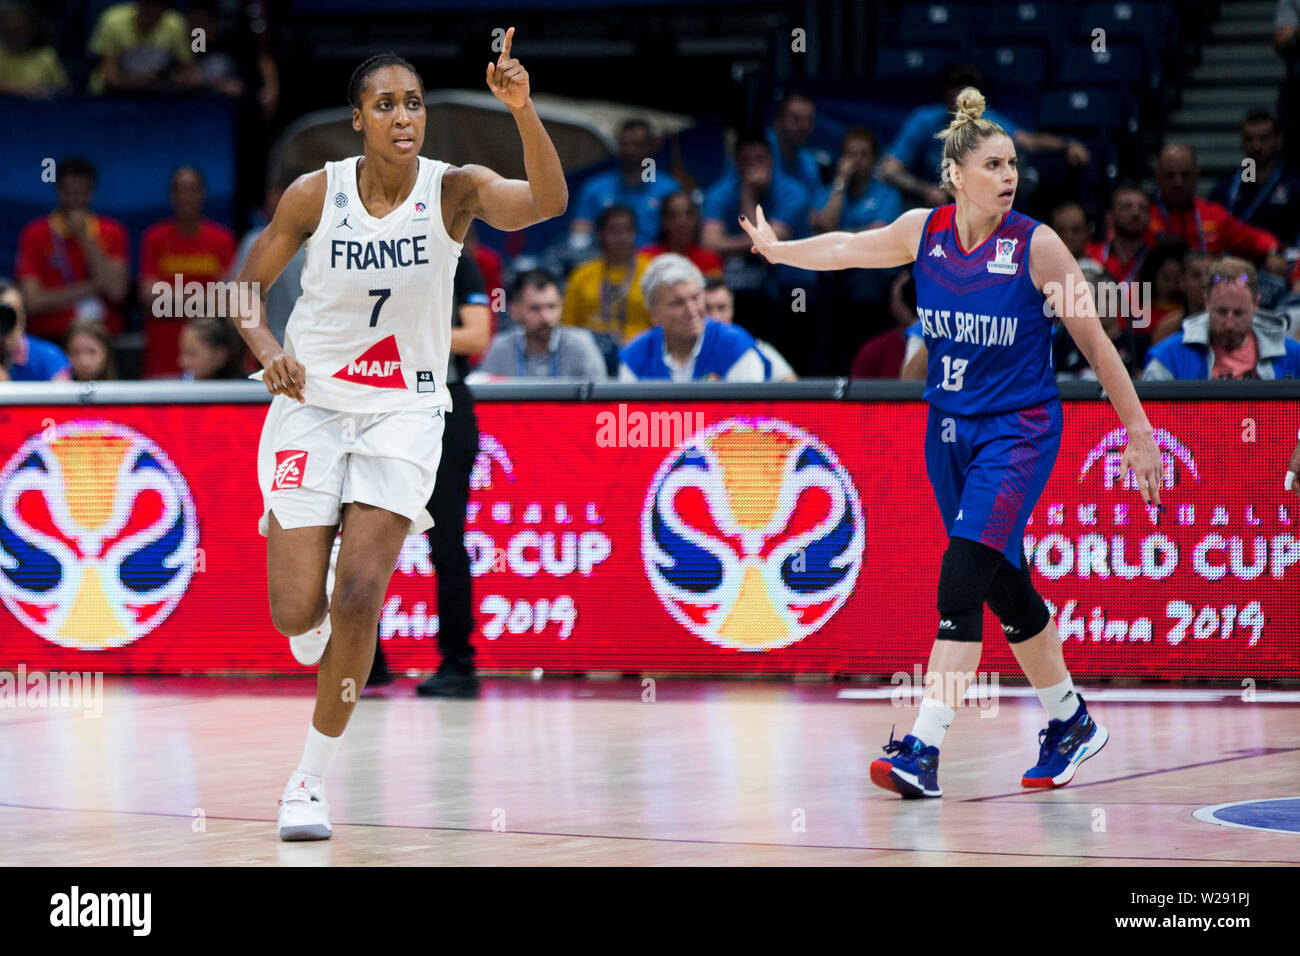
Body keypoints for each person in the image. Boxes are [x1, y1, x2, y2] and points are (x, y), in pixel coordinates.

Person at [739, 87, 1163, 798]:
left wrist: (1139, 433)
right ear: (955, 174)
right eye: (994, 164)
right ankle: (1071, 721)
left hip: (1018, 432)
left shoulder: (1037, 246)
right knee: (1000, 581)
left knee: (960, 581)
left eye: (1013, 165)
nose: (1009, 176)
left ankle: (922, 747)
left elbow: (1097, 344)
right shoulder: (922, 230)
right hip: (947, 431)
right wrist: (781, 251)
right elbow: (846, 248)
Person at [229, 34, 567, 841]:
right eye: (385, 105)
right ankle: (310, 599)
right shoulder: (315, 194)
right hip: (312, 405)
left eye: (413, 103)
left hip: (405, 414)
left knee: (359, 597)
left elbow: (547, 202)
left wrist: (522, 110)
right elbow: (243, 292)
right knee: (294, 615)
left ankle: (308, 782)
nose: (403, 116)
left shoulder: (454, 190)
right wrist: (269, 352)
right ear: (358, 120)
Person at [369, 252, 493, 696]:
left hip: (444, 406)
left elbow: (476, 335)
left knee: (446, 541)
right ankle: (367, 662)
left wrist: (408, 334)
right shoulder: (377, 257)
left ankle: (458, 664)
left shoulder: (459, 263)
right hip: (383, 405)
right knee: (369, 538)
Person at [879, 62, 1089, 209]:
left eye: (966, 89)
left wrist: (1067, 145)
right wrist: (925, 190)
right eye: (954, 88)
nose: (959, 96)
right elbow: (889, 170)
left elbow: (1028, 141)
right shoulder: (924, 120)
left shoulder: (988, 120)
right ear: (944, 92)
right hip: (934, 203)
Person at [15, 156, 129, 342]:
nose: (75, 199)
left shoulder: (112, 231)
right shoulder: (35, 233)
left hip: (101, 338)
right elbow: (32, 301)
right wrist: (93, 286)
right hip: (51, 336)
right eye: (69, 192)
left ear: (92, 192)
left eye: (82, 192)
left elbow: (117, 292)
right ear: (58, 190)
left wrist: (84, 237)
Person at [140, 167, 238, 378]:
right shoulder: (154, 238)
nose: (186, 197)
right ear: (171, 195)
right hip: (162, 360)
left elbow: (228, 301)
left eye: (192, 190)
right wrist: (207, 300)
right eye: (180, 190)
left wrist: (169, 299)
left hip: (209, 364)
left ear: (203, 193)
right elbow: (149, 298)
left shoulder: (223, 239)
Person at [1143, 257, 1300, 380]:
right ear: (1207, 302)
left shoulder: (1292, 355)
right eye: (1222, 312)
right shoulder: (1169, 357)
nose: (1229, 324)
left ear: (1256, 305)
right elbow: (1147, 410)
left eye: (1238, 313)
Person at [619, 254, 765, 382]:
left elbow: (751, 405)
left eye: (695, 298)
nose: (692, 311)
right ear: (654, 314)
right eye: (678, 303)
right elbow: (625, 406)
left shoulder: (735, 346)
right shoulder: (635, 355)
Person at [1148, 144, 1286, 275]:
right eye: (1170, 175)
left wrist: (1273, 252)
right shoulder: (1144, 216)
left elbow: (1253, 239)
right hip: (1152, 290)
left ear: (1197, 175)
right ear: (1157, 177)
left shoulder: (1213, 214)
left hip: (1205, 287)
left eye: (1185, 175)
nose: (1178, 182)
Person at [561, 204, 653, 372]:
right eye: (613, 231)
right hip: (591, 358)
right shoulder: (582, 275)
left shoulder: (651, 272)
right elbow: (568, 328)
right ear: (601, 234)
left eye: (627, 230)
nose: (621, 237)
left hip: (642, 356)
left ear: (635, 233)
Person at [568, 118, 680, 248]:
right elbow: (580, 235)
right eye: (624, 144)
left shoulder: (669, 189)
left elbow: (680, 234)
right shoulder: (595, 187)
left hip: (653, 257)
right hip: (604, 257)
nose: (629, 150)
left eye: (637, 145)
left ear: (652, 146)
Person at [477, 268, 608, 379]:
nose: (546, 317)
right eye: (535, 308)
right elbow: (484, 396)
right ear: (514, 311)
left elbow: (601, 398)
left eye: (551, 307)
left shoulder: (580, 345)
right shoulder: (500, 348)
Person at [229, 169, 309, 347]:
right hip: (295, 346)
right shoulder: (322, 242)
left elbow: (234, 301)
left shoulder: (254, 242)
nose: (271, 200)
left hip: (269, 348)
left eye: (277, 194)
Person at [1210, 112, 1300, 247]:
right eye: (1249, 139)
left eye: (1264, 138)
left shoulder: (1294, 187)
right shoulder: (1227, 188)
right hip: (1235, 257)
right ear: (1242, 142)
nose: (1256, 146)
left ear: (1278, 140)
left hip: (1281, 256)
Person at [87, 0, 201, 94]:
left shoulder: (175, 23)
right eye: (147, 8)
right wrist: (143, 82)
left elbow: (190, 73)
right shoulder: (113, 21)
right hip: (110, 96)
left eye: (157, 9)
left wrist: (179, 80)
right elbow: (111, 79)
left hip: (159, 97)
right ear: (138, 4)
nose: (152, 13)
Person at [812, 127, 903, 235]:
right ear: (842, 159)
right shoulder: (830, 191)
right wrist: (841, 182)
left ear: (874, 160)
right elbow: (824, 228)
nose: (857, 160)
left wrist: (836, 234)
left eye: (864, 155)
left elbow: (879, 232)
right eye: (851, 154)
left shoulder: (888, 195)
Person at [702, 276, 794, 381]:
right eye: (707, 308)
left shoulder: (753, 348)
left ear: (732, 310)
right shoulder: (689, 352)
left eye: (722, 308)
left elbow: (791, 383)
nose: (715, 317)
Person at [0, 277, 71, 381]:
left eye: (11, 314)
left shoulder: (49, 358)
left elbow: (64, 390)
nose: (5, 322)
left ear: (24, 316)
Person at [640, 191, 723, 279]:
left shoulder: (710, 260)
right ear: (663, 221)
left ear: (696, 219)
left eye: (689, 214)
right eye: (673, 215)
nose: (682, 222)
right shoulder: (646, 258)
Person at [850, 271, 917, 379]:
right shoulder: (875, 350)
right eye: (906, 296)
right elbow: (857, 387)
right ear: (893, 306)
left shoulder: (940, 346)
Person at [1085, 182, 1154, 286]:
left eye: (1142, 208)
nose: (1136, 213)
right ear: (1110, 216)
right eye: (1126, 207)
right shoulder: (1090, 256)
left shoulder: (1157, 260)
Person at [0, 1, 69, 97]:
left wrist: (46, 91)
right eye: (9, 30)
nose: (14, 36)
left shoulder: (47, 56)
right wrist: (29, 91)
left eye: (19, 30)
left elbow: (63, 90)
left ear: (31, 29)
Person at [766, 92, 825, 196]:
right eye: (796, 119)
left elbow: (817, 204)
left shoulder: (810, 164)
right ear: (778, 122)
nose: (805, 126)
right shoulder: (759, 151)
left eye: (810, 120)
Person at [179, 316, 243, 380]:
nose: (182, 362)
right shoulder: (184, 383)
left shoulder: (244, 384)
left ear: (219, 356)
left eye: (192, 353)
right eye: (183, 353)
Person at [65, 316, 118, 381]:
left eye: (91, 351)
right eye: (76, 352)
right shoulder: (57, 385)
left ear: (106, 352)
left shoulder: (126, 384)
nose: (84, 362)